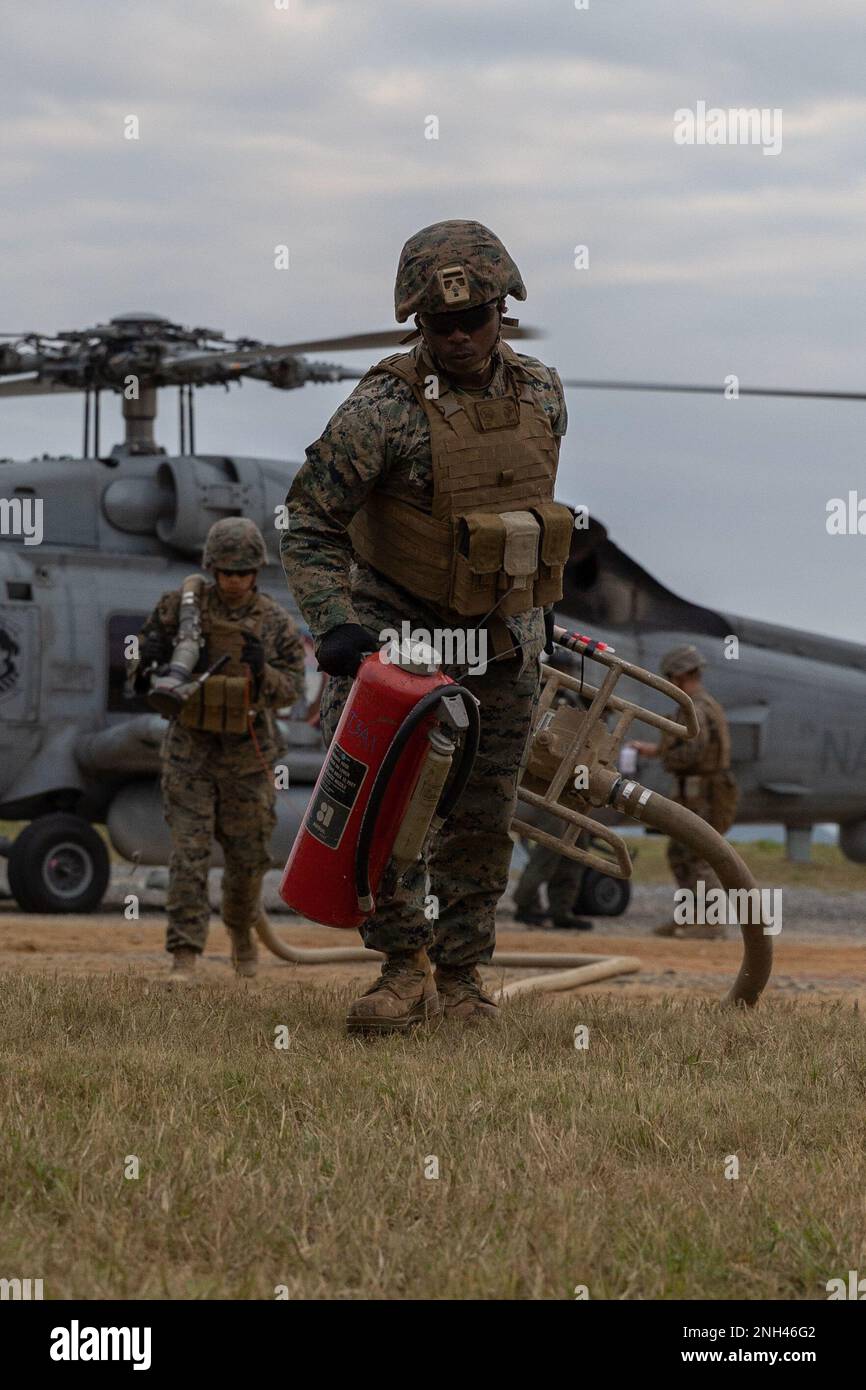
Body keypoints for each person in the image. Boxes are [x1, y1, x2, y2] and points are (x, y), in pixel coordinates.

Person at [281, 219, 574, 1031]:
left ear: (501, 310)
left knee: (483, 818)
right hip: (403, 645)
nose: (458, 336)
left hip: (504, 642)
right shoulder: (380, 411)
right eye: (439, 324)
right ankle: (402, 969)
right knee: (390, 811)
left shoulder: (543, 393)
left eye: (473, 318)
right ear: (417, 322)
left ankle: (463, 975)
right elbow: (307, 523)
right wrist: (334, 623)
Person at [134, 517, 305, 979]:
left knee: (248, 858)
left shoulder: (273, 621)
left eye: (242, 572)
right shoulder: (179, 608)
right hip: (191, 753)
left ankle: (242, 933)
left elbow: (293, 687)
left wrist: (262, 672)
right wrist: (146, 656)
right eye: (225, 571)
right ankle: (184, 955)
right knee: (188, 855)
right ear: (212, 569)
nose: (233, 580)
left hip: (248, 760)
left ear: (256, 572)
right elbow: (141, 672)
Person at [630, 644, 738, 939]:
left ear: (681, 675)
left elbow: (691, 751)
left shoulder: (697, 708)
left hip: (703, 793)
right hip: (695, 791)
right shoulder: (696, 705)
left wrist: (664, 757)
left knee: (700, 856)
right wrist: (653, 750)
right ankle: (691, 918)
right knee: (680, 854)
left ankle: (711, 923)